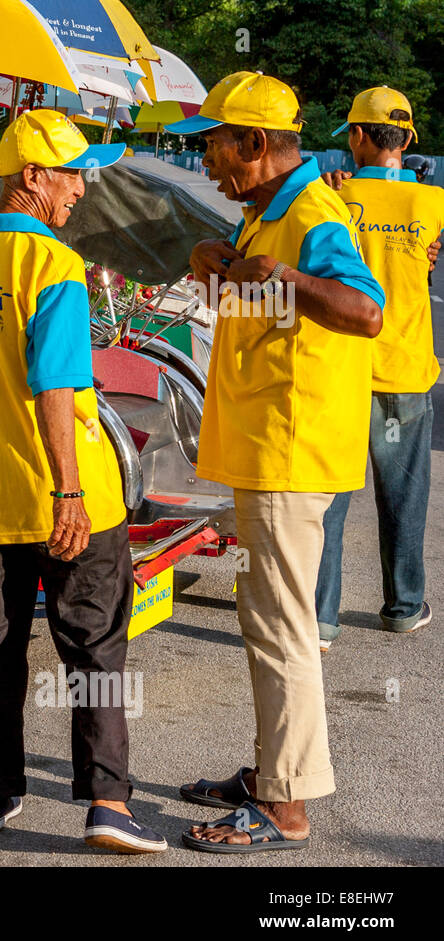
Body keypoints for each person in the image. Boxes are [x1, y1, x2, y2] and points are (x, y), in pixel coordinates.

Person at [0, 109, 166, 854]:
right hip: (68, 493)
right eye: (71, 173)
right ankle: (107, 805)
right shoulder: (54, 265)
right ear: (33, 177)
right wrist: (67, 491)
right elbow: (57, 383)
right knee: (94, 648)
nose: (82, 189)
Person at [169, 72, 384, 853]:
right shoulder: (272, 214)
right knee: (267, 620)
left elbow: (364, 311)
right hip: (271, 448)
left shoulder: (312, 216)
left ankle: (286, 805)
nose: (208, 162)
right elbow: (270, 313)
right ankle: (271, 775)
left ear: (255, 145)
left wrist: (285, 275)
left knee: (284, 630)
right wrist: (221, 264)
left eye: (214, 144)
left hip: (292, 451)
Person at [314, 88, 444, 649]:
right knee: (404, 497)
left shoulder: (331, 200)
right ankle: (402, 607)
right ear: (408, 140)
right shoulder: (432, 205)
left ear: (358, 138)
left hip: (343, 370)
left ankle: (320, 620)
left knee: (330, 503)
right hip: (407, 371)